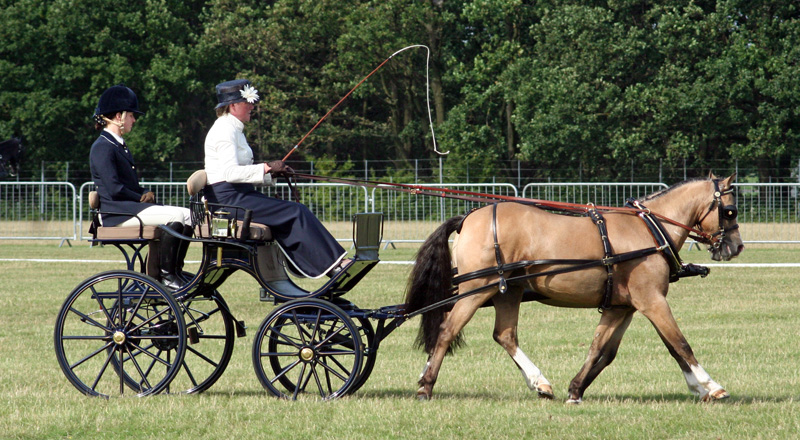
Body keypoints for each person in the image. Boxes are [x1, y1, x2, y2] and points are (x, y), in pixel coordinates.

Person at [203, 79, 348, 278]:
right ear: (233, 105)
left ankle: (319, 264)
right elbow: (230, 174)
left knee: (294, 211)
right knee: (296, 211)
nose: (252, 106)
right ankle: (334, 265)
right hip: (229, 201)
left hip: (239, 195)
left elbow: (240, 173)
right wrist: (266, 167)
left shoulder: (234, 129)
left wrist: (271, 174)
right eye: (248, 102)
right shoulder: (225, 130)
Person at [89, 84, 192, 289]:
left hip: (127, 208)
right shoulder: (102, 147)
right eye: (132, 116)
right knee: (176, 217)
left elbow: (128, 185)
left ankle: (172, 271)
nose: (134, 120)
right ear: (119, 116)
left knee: (188, 214)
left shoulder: (118, 145)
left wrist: (143, 193)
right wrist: (140, 198)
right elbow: (114, 189)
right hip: (116, 213)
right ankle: (167, 276)